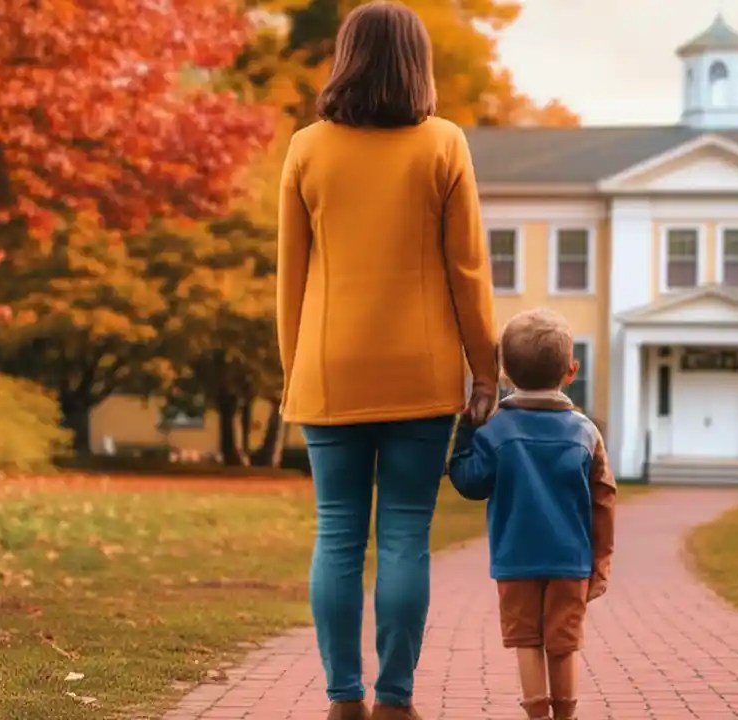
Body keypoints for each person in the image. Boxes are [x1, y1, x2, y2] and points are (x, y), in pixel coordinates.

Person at [275, 2, 499, 718]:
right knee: (405, 535)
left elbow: (291, 278)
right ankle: (395, 701)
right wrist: (486, 369)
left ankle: (343, 699)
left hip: (329, 369)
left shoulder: (307, 148)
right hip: (421, 374)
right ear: (416, 64)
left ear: (345, 59)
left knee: (337, 534)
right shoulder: (444, 144)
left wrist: (293, 372)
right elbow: (469, 270)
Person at [447, 309, 617, 720]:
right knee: (564, 643)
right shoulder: (585, 432)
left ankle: (536, 714)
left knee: (527, 640)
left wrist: (466, 431)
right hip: (571, 561)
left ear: (505, 374)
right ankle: (566, 715)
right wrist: (601, 561)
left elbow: (470, 482)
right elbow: (604, 498)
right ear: (571, 371)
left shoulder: (496, 430)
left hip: (515, 559)